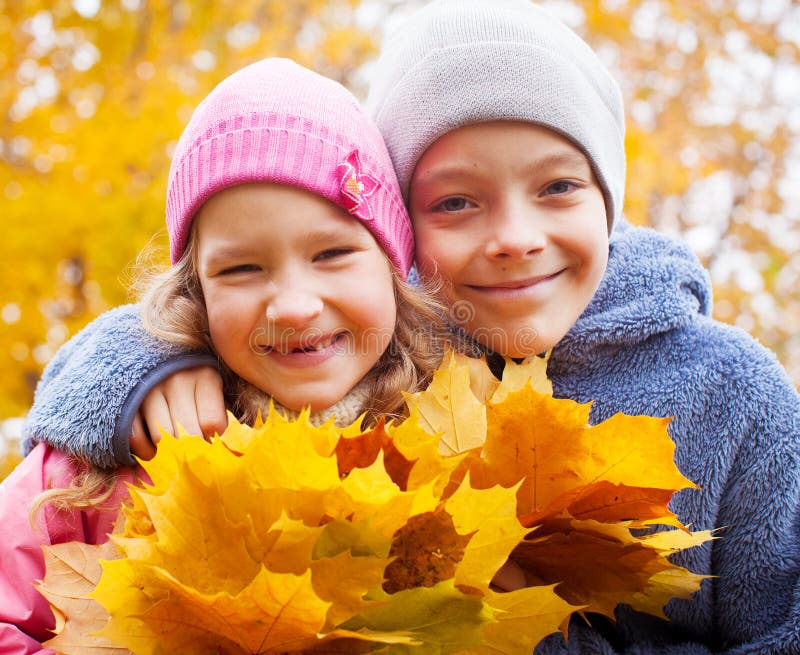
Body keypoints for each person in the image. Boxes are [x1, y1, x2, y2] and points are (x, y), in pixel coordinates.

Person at [16, 0, 800, 653]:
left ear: (609, 199)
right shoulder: (394, 366)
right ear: (400, 238)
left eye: (559, 187)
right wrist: (141, 364)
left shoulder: (733, 392)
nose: (514, 237)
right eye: (455, 202)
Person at [0, 57, 449, 652]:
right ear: (196, 292)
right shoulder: (99, 467)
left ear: (394, 266)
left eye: (333, 254)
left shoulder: (451, 439)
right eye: (241, 268)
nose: (293, 306)